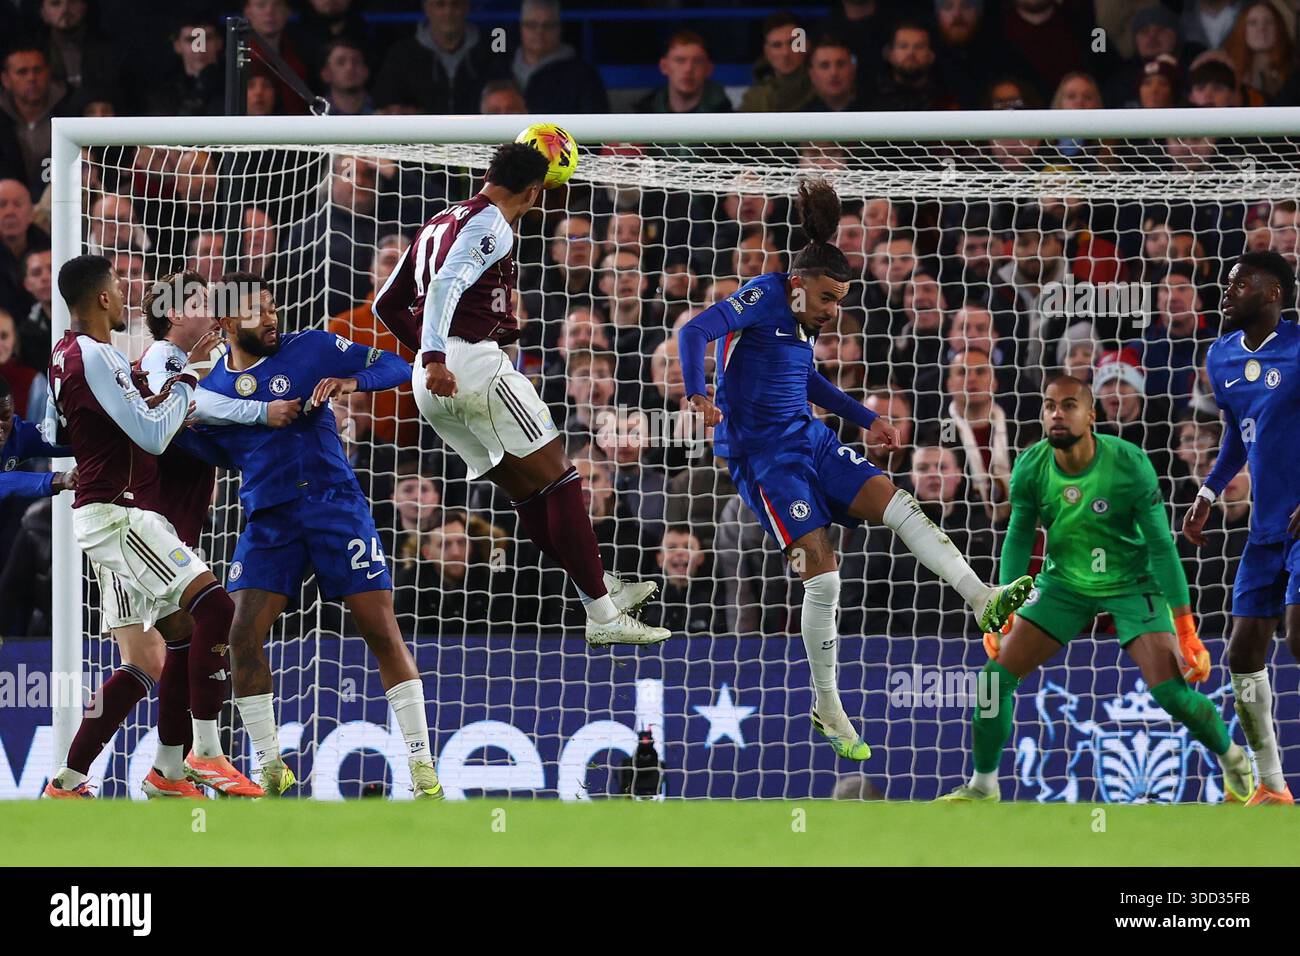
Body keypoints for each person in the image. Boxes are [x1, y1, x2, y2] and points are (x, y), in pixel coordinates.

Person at [679, 180, 1033, 761]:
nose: (833, 311)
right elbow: (694, 330)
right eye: (826, 298)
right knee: (825, 577)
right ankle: (828, 704)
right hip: (765, 461)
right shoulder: (760, 297)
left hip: (809, 438)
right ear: (796, 287)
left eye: (840, 299)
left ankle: (979, 597)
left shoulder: (800, 321)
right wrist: (698, 395)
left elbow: (806, 381)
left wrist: (866, 417)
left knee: (896, 501)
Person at [371, 142, 668, 647]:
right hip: (469, 364)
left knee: (530, 492)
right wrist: (441, 354)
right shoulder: (492, 225)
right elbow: (444, 286)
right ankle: (601, 611)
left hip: (431, 381)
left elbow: (385, 303)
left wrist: (426, 355)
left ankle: (597, 584)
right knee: (564, 479)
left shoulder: (439, 219)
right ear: (533, 192)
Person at [941, 375, 1251, 803]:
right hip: (1064, 584)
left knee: (1170, 694)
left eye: (1068, 405)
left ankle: (1233, 757)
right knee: (993, 682)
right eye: (1049, 405)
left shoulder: (1128, 463)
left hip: (1131, 582)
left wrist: (1185, 627)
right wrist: (1002, 609)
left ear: (1091, 415)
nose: (1056, 413)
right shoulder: (1031, 465)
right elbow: (1017, 535)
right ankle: (984, 785)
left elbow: (1161, 546)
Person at [192, 273, 443, 800]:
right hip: (269, 520)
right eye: (258, 311)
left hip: (334, 506)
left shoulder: (313, 347)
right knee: (240, 635)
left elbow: (396, 365)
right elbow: (212, 453)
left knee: (379, 630)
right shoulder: (211, 391)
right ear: (226, 323)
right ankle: (270, 768)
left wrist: (352, 382)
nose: (272, 317)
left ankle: (423, 768)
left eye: (272, 306)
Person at [44, 255, 259, 798]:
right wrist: (190, 385)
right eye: (117, 287)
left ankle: (83, 780)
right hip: (124, 515)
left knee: (158, 652)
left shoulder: (63, 355)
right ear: (99, 298)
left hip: (113, 514)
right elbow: (153, 434)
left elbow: (67, 431)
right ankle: (205, 754)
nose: (124, 297)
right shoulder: (107, 355)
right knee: (216, 608)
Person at [1181, 250, 1300, 805]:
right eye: (1226, 284)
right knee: (1243, 653)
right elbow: (1239, 433)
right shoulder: (1221, 356)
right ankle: (1272, 786)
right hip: (1265, 530)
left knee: (1298, 639)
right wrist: (1207, 492)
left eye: (1239, 283)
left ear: (1273, 293)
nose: (1226, 292)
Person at [0, 372, 73, 499]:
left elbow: (68, 442)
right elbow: (5, 483)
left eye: (5, 417)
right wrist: (61, 478)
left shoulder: (17, 434)